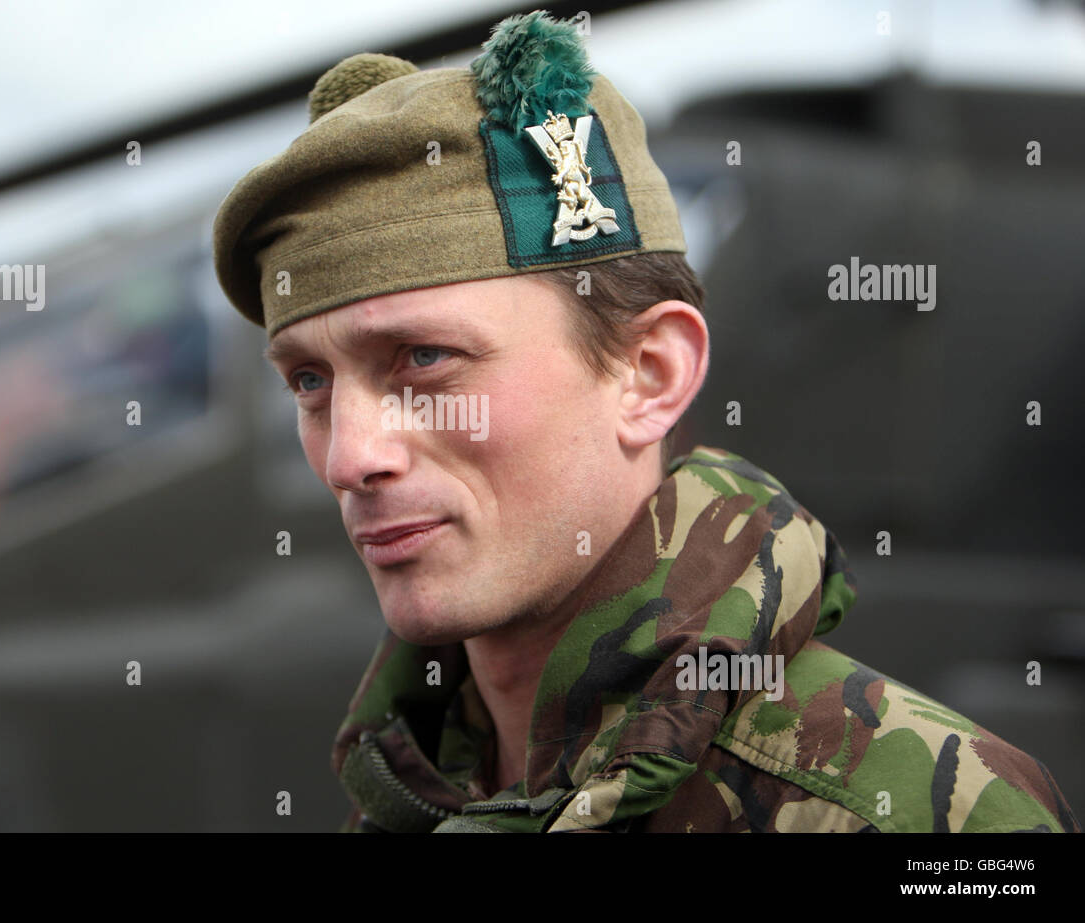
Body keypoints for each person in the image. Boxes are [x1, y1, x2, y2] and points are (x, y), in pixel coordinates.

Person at [211, 11, 1078, 832]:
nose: (349, 457)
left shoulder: (929, 813)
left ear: (648, 375)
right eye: (311, 381)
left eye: (425, 358)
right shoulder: (412, 780)